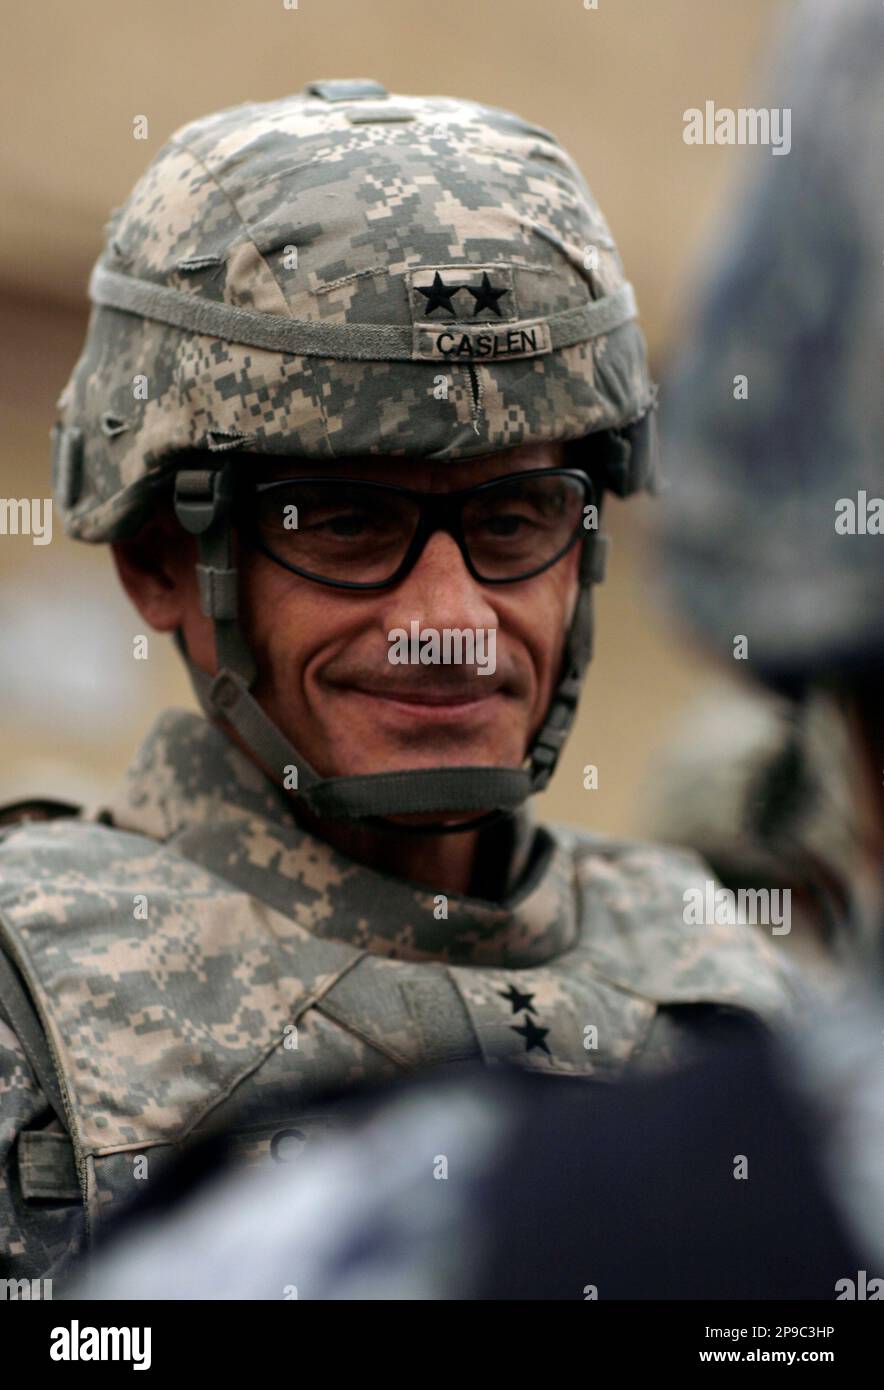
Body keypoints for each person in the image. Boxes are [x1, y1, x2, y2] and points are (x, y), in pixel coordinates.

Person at [70, 2, 883, 1302]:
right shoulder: (21, 1001)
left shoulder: (744, 995)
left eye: (514, 518)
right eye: (345, 520)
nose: (448, 614)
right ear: (160, 558)